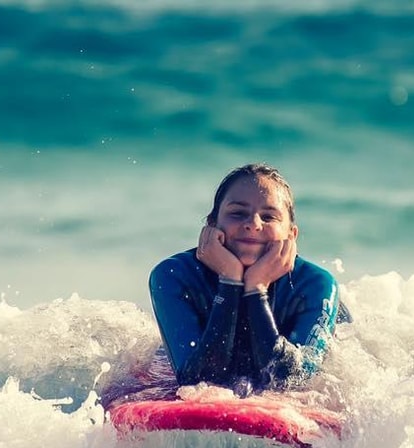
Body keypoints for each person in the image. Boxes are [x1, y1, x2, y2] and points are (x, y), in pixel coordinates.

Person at [100, 163, 346, 408]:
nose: (253, 224)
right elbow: (198, 382)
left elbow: (289, 380)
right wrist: (230, 280)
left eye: (269, 216)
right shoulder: (174, 276)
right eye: (238, 213)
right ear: (212, 225)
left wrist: (256, 288)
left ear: (291, 235)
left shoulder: (316, 286)